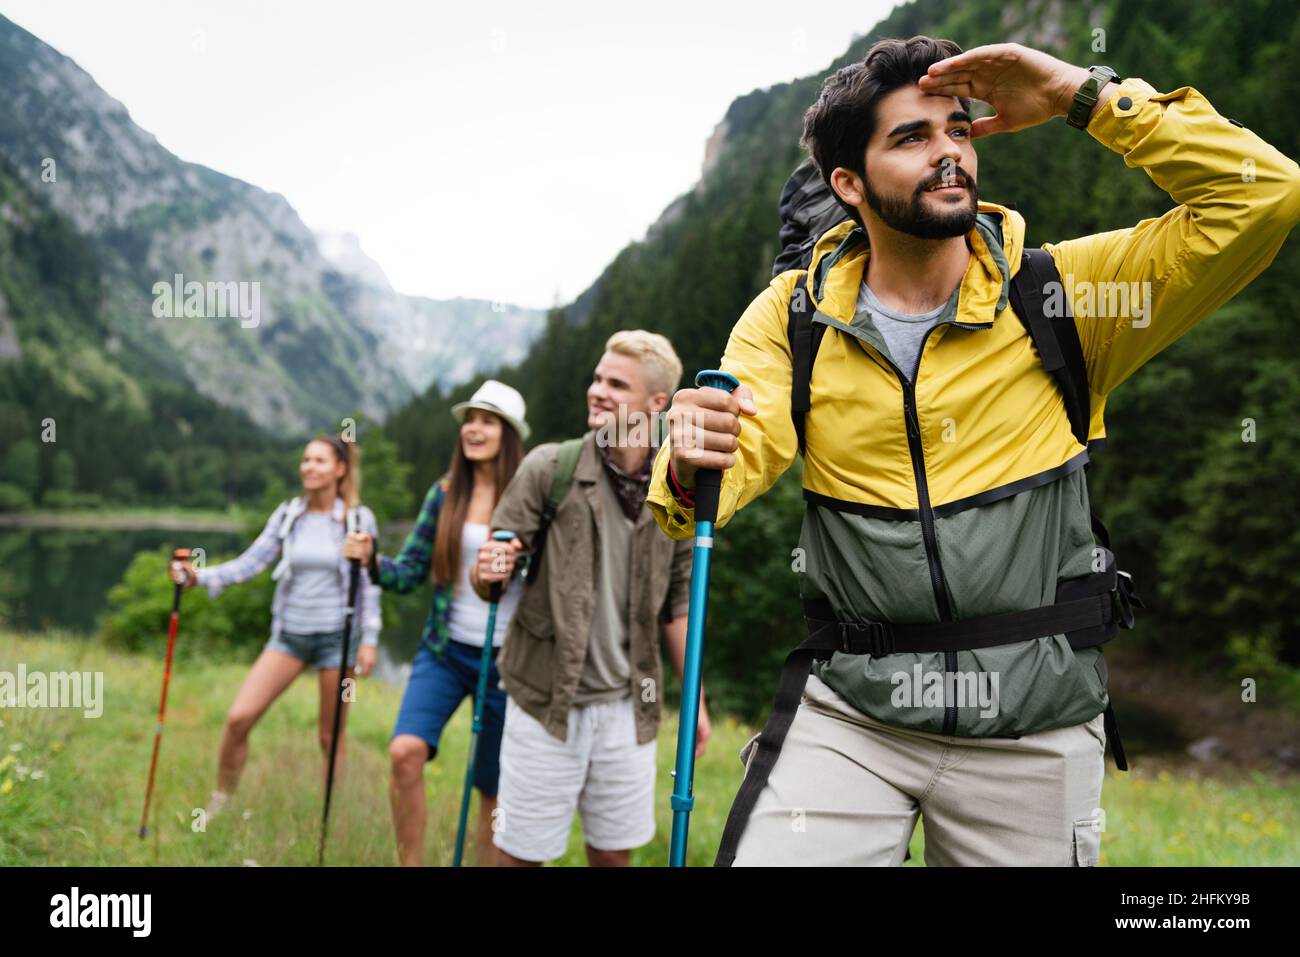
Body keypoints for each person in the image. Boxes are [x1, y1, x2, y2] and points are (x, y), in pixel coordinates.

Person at [649, 37, 1300, 866]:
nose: (949, 150)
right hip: (853, 715)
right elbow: (716, 478)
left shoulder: (1064, 298)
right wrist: (690, 456)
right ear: (847, 183)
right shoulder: (793, 318)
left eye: (957, 128)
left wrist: (1079, 92)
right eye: (911, 137)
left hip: (1034, 725)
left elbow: (1265, 196)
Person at [474, 330, 706, 867]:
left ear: (656, 404)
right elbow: (489, 574)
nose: (597, 391)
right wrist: (489, 569)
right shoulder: (548, 468)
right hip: (543, 701)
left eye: (616, 383)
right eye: (597, 378)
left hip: (631, 706)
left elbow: (678, 605)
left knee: (612, 856)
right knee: (520, 856)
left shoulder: (680, 488)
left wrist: (695, 699)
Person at [344, 380, 527, 866]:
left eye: (487, 420)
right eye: (469, 420)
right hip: (444, 651)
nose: (473, 428)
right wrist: (372, 562)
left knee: (492, 788)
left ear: (508, 433)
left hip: (508, 661)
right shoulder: (445, 493)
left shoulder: (530, 494)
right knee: (405, 752)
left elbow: (546, 573)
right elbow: (408, 573)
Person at [169, 433, 381, 818]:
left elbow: (370, 582)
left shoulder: (357, 519)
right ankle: (223, 802)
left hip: (339, 640)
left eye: (319, 461)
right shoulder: (288, 516)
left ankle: (329, 820)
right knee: (239, 719)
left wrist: (369, 639)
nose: (308, 467)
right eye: (305, 460)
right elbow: (250, 562)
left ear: (340, 469)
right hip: (289, 636)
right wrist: (199, 577)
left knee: (330, 737)